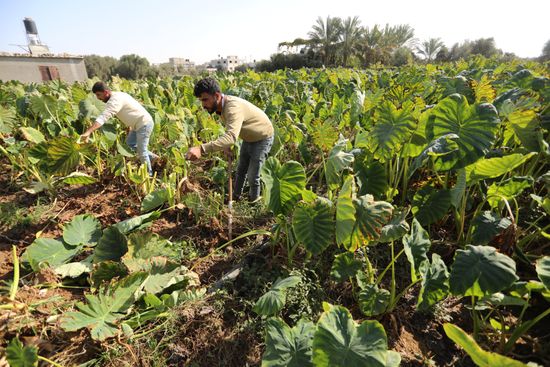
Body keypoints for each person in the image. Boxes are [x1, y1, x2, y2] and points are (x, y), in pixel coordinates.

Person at [186, 78, 274, 202]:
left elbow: (231, 137)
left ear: (216, 96)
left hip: (262, 137)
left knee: (253, 175)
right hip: (248, 137)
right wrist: (226, 146)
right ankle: (235, 198)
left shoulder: (232, 107)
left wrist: (202, 148)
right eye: (201, 100)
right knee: (241, 170)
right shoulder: (220, 107)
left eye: (205, 99)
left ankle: (254, 204)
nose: (203, 105)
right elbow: (230, 128)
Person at [80, 81, 158, 175]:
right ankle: (154, 158)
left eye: (99, 95)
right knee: (130, 144)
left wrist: (88, 132)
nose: (98, 98)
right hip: (137, 124)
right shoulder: (118, 95)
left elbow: (103, 117)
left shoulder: (115, 101)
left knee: (142, 150)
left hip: (144, 123)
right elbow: (130, 110)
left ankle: (148, 175)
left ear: (106, 92)